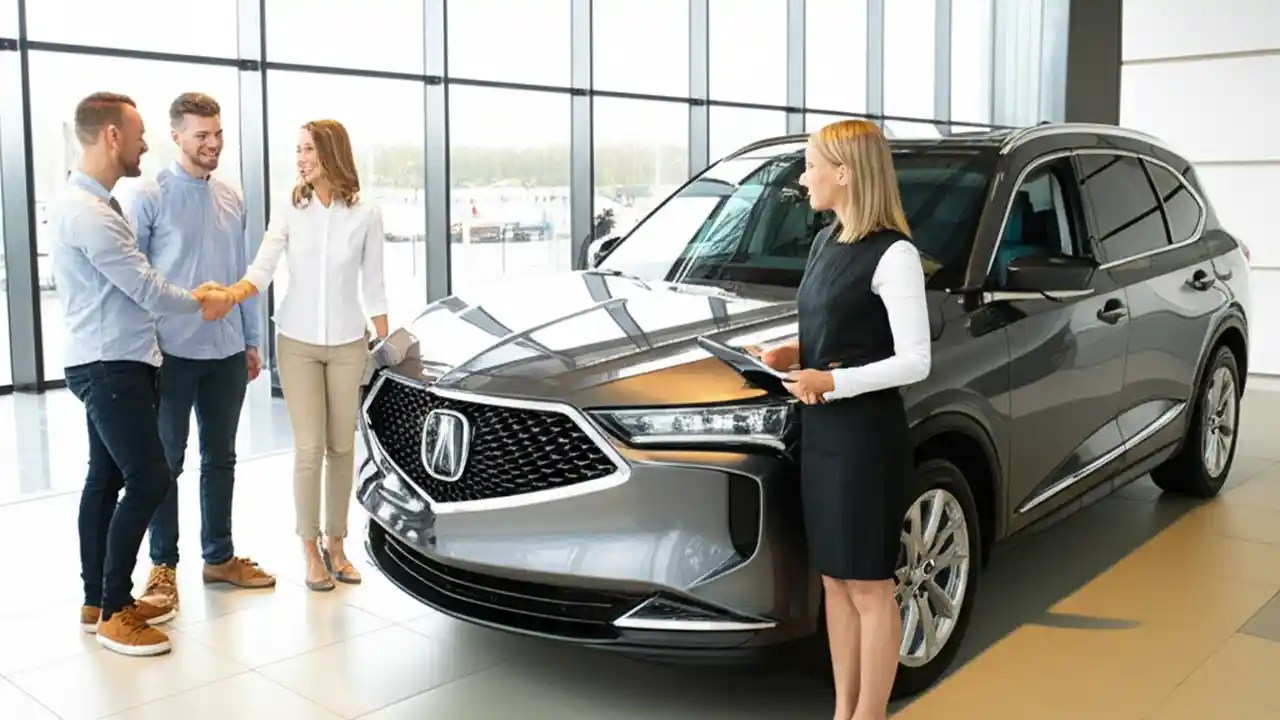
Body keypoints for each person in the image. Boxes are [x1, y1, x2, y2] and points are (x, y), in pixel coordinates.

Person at [756, 119, 931, 720]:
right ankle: (845, 711)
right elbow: (841, 335)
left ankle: (870, 715)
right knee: (834, 582)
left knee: (869, 585)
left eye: (810, 165)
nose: (803, 178)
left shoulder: (895, 253)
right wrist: (793, 354)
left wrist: (830, 382)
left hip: (864, 441)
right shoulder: (825, 242)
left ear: (845, 172)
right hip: (824, 433)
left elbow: (915, 361)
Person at [52, 92, 235, 656]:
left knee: (104, 480)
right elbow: (146, 286)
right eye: (137, 135)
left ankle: (94, 601)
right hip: (112, 365)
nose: (144, 145)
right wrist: (202, 300)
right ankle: (114, 610)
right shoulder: (89, 211)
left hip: (109, 359)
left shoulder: (96, 202)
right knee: (151, 478)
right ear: (111, 136)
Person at [205, 119, 389, 591]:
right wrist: (232, 294)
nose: (301, 158)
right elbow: (263, 268)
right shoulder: (291, 207)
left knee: (342, 447)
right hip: (298, 343)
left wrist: (386, 347)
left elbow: (375, 287)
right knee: (309, 449)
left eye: (308, 149)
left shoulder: (366, 213)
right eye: (298, 150)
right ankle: (309, 549)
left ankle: (337, 544)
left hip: (349, 343)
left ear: (332, 153)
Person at [120, 92, 277, 616]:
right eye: (201, 136)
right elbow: (134, 280)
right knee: (165, 464)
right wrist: (144, 351)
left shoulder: (231, 195)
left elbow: (244, 275)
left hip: (227, 352)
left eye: (218, 134)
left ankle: (219, 557)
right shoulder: (149, 195)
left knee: (222, 459)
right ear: (177, 136)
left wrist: (252, 341)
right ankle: (163, 567)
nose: (212, 144)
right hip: (170, 354)